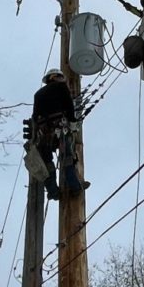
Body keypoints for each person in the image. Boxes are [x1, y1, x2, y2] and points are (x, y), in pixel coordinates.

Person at [30, 68, 85, 199]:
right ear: (53, 77)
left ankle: (53, 192)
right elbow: (69, 107)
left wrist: (35, 136)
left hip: (44, 134)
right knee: (67, 158)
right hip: (60, 129)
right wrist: (73, 123)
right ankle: (75, 187)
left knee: (47, 162)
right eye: (60, 77)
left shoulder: (38, 94)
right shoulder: (61, 87)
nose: (62, 79)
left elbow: (34, 117)